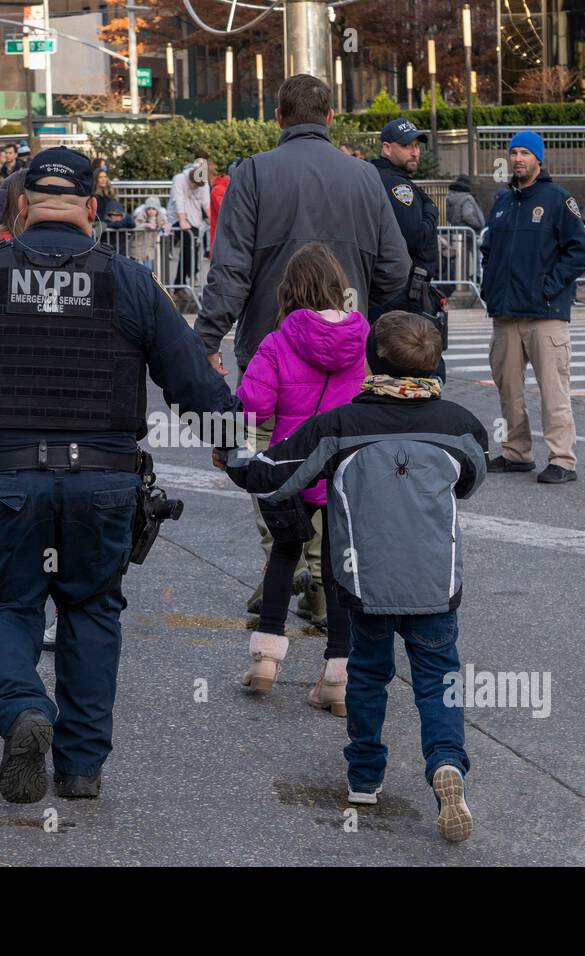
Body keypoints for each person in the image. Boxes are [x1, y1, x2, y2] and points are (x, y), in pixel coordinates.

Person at [0, 147, 240, 803]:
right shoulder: (132, 281)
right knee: (91, 609)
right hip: (105, 487)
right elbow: (192, 380)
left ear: (22, 206)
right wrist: (230, 440)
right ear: (93, 209)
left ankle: (25, 706)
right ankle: (81, 769)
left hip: (3, 486)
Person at [222, 311, 488, 843]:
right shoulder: (460, 426)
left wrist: (231, 457)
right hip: (435, 582)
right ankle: (448, 766)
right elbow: (470, 481)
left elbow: (274, 477)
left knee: (368, 674)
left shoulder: (341, 425)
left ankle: (365, 777)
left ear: (372, 359)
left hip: (363, 581)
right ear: (436, 362)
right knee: (439, 680)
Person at [195, 73, 409, 617]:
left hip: (272, 348)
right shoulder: (365, 178)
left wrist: (208, 336)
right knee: (337, 462)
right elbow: (396, 269)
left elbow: (231, 268)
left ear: (278, 117)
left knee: (267, 456)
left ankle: (281, 564)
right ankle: (324, 578)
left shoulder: (253, 174)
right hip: (348, 355)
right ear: (331, 117)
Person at [233, 243, 366, 716]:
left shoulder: (279, 340)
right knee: (337, 569)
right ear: (337, 286)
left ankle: (266, 660)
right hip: (345, 470)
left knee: (284, 557)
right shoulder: (363, 338)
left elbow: (253, 408)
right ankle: (338, 675)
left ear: (290, 291)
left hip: (291, 468)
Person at [478, 129, 585, 484]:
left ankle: (562, 459)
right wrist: (489, 286)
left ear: (539, 159)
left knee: (553, 390)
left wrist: (549, 288)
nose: (518, 159)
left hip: (545, 315)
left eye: (525, 152)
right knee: (508, 389)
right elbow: (488, 250)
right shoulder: (502, 201)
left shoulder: (558, 200)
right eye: (513, 153)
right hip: (506, 313)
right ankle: (516, 452)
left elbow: (579, 253)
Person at [369, 119, 444, 380]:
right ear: (387, 148)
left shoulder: (372, 177)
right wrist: (432, 212)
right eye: (406, 146)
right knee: (425, 370)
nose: (415, 152)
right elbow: (414, 237)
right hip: (403, 292)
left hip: (380, 291)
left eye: (416, 145)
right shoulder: (398, 185)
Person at [165, 149, 209, 290]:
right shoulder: (179, 179)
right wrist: (182, 220)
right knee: (188, 246)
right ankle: (185, 279)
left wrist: (215, 222)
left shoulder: (204, 182)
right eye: (194, 184)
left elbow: (206, 203)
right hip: (177, 218)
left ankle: (181, 283)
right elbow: (179, 201)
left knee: (191, 250)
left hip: (194, 220)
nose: (196, 187)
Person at [444, 173, 485, 287]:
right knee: (475, 255)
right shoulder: (467, 197)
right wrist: (478, 225)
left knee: (461, 258)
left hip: (457, 232)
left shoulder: (450, 197)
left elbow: (448, 216)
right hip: (469, 232)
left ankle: (461, 281)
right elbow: (468, 215)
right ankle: (476, 278)